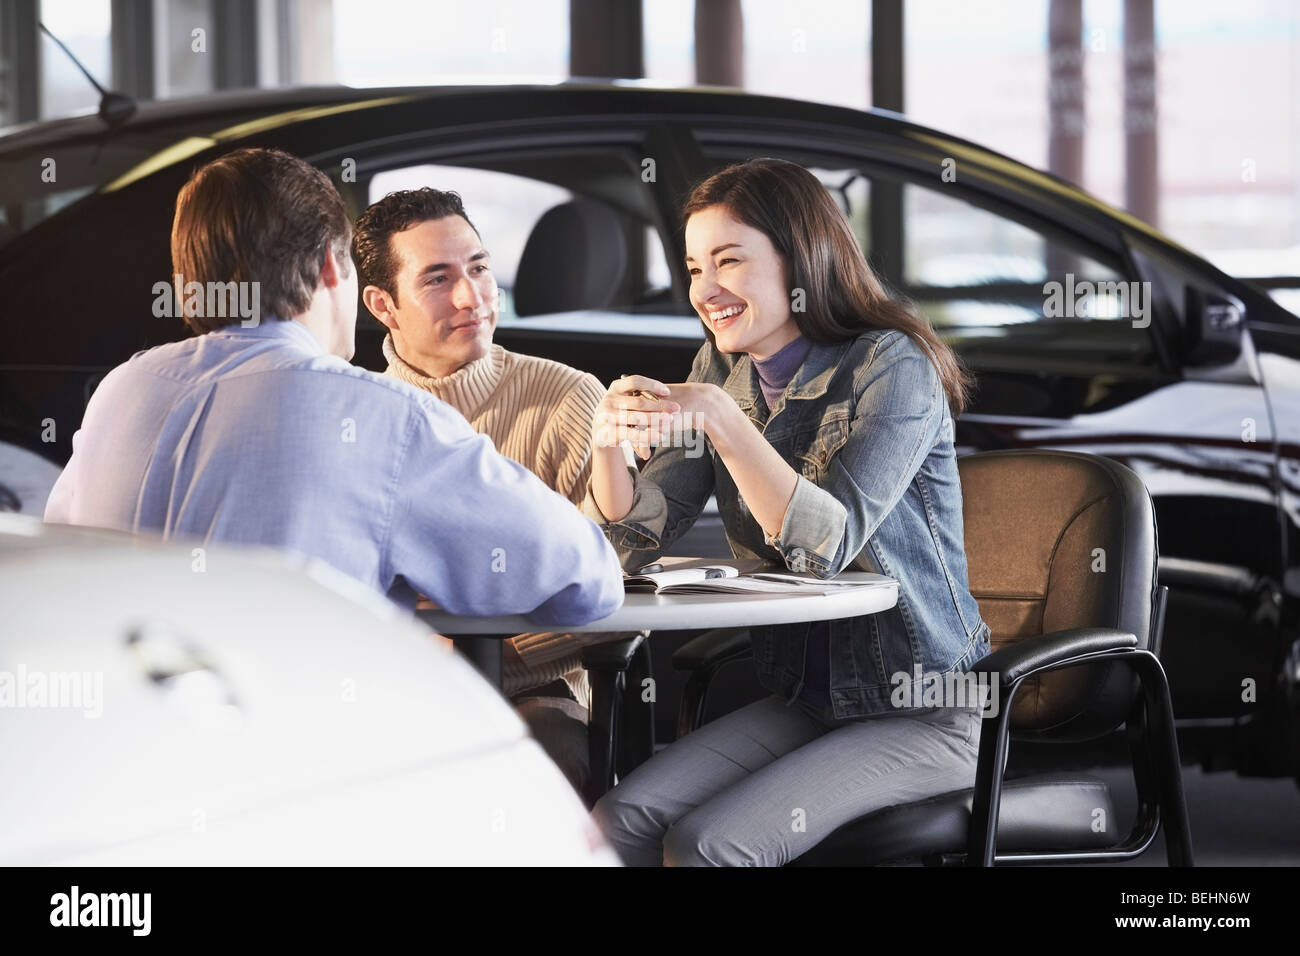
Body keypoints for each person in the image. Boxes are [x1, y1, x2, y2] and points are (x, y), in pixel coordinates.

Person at [582, 158, 994, 866]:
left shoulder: (893, 366)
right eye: (693, 268)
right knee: (616, 822)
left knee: (710, 845)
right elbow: (629, 540)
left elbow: (823, 545)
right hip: (811, 703)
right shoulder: (720, 371)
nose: (705, 291)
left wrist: (719, 419)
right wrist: (607, 442)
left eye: (729, 261)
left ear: (801, 259)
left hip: (927, 709)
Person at [43, 148, 622, 634]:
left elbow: (59, 564)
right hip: (314, 755)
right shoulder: (384, 419)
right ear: (329, 265)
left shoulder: (121, 393)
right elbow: (585, 577)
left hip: (127, 755)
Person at [353, 187, 635, 796]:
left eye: (479, 268)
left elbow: (616, 586)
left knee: (522, 772)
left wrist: (487, 647)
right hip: (392, 687)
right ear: (383, 304)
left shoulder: (568, 398)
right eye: (436, 279)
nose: (471, 298)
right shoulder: (357, 415)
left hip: (539, 695)